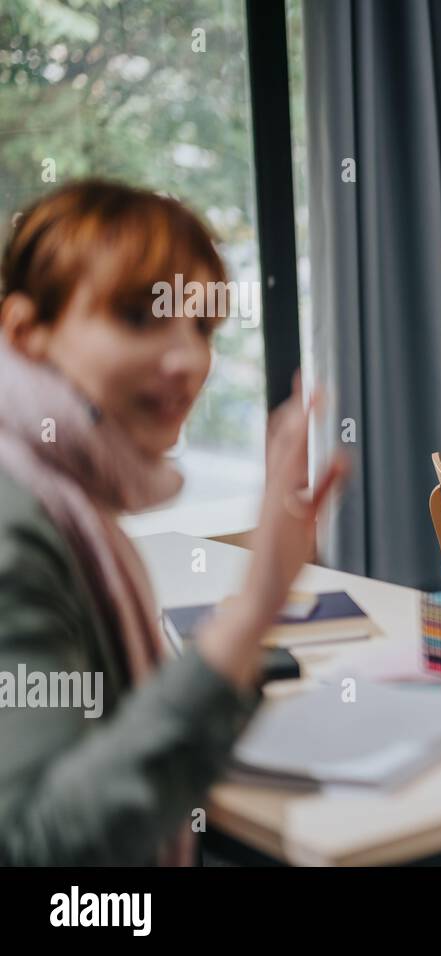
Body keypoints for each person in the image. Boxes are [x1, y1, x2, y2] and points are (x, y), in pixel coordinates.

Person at [0, 180, 348, 864]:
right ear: (25, 332)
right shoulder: (18, 522)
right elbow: (38, 849)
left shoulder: (65, 493)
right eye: (139, 316)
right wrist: (254, 608)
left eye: (203, 326)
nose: (189, 359)